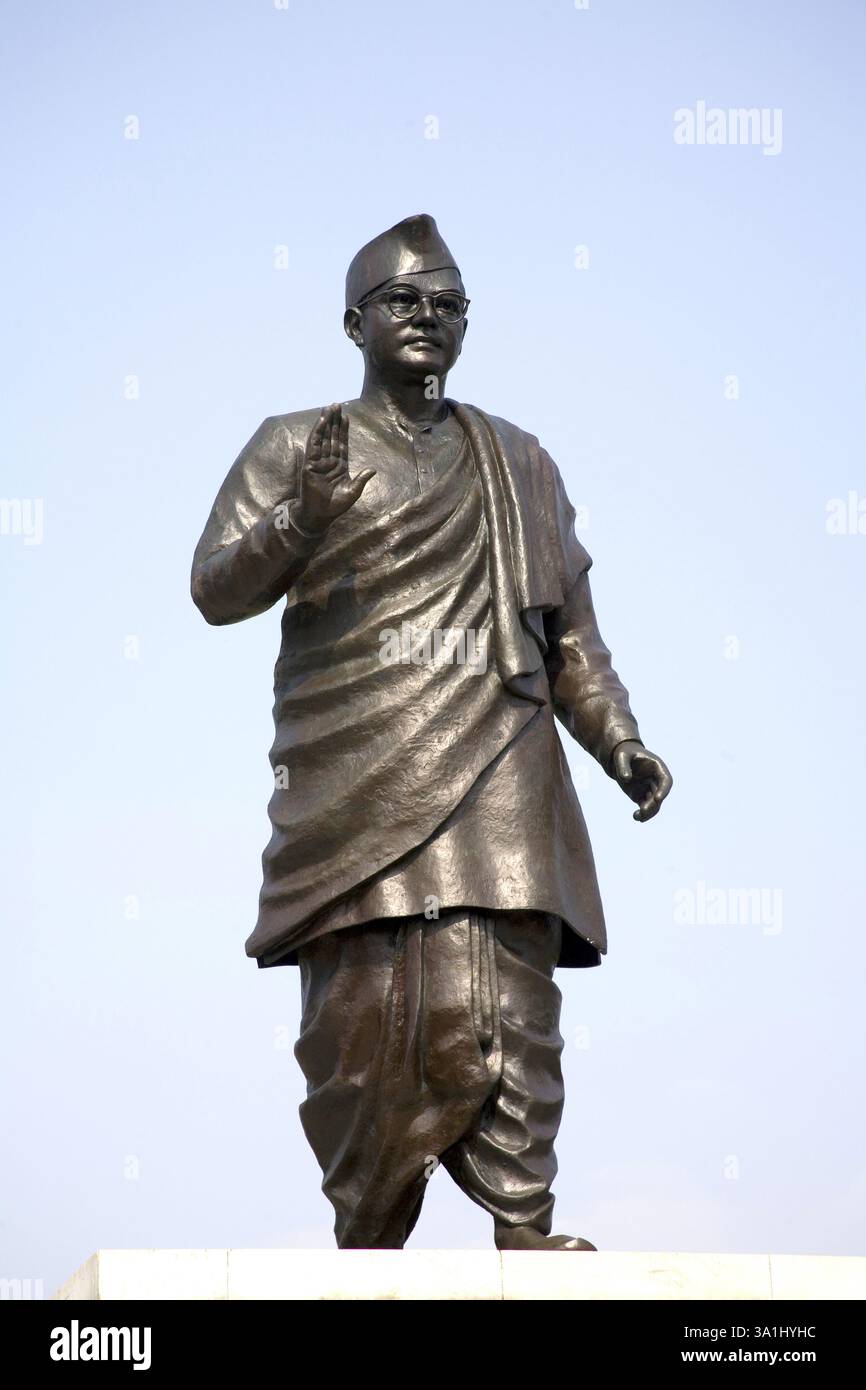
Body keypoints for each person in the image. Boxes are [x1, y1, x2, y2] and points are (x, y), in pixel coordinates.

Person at [191, 214, 672, 1250]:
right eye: (404, 302)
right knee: (362, 1020)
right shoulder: (295, 443)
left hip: (502, 756)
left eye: (448, 306)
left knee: (512, 997)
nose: (428, 319)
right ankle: (367, 1230)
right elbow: (214, 588)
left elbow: (570, 635)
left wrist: (618, 740)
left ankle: (524, 1223)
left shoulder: (518, 462)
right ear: (354, 321)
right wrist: (301, 519)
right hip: (353, 777)